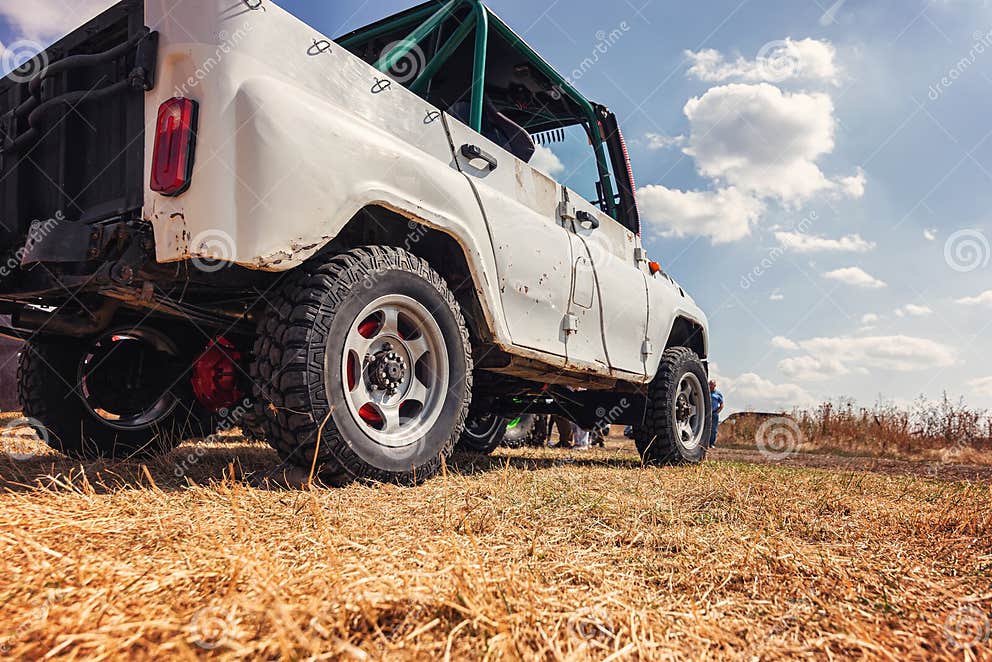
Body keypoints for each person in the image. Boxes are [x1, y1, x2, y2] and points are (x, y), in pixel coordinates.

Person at [709, 380, 724, 449]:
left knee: (713, 429)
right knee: (705, 427)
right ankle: (705, 443)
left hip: (714, 413)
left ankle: (712, 443)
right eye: (710, 384)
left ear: (715, 385)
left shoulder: (718, 394)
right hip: (707, 413)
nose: (710, 386)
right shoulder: (706, 392)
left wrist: (718, 411)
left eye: (712, 384)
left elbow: (722, 404)